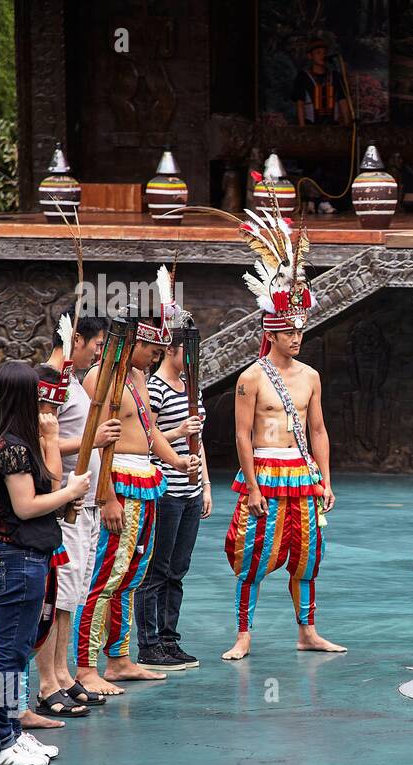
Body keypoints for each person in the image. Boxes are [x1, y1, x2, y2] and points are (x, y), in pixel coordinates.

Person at [222, 210, 339, 661]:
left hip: (302, 474)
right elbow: (241, 437)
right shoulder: (251, 378)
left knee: (308, 559)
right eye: (291, 330)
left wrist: (326, 479)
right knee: (253, 559)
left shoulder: (311, 376)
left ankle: (307, 631)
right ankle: (244, 635)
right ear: (272, 331)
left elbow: (318, 429)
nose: (298, 336)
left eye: (301, 329)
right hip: (266, 472)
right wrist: (251, 486)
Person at [75, 290, 200, 687]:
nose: (156, 355)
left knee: (131, 575)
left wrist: (178, 460)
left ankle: (120, 659)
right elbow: (94, 440)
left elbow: (148, 430)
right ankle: (84, 667)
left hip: (147, 480)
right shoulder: (102, 375)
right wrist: (107, 494)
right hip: (119, 484)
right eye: (152, 348)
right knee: (107, 576)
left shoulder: (139, 376)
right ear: (137, 342)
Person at [0, 362, 91, 765]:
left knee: (17, 651)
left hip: (24, 557)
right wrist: (70, 492)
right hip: (14, 558)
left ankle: (9, 732)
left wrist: (53, 440)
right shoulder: (12, 448)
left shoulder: (12, 441)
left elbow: (48, 487)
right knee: (6, 655)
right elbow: (26, 506)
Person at [134, 283, 209, 670]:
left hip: (191, 488)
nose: (195, 357)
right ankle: (148, 644)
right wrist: (179, 434)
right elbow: (148, 436)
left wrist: (206, 483)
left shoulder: (191, 388)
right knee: (156, 568)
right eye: (190, 350)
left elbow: (201, 439)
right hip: (164, 486)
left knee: (178, 570)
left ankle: (169, 637)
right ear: (173, 350)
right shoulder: (155, 388)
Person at [52, 313, 122, 698]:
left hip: (87, 503)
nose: (98, 353)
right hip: (67, 503)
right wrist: (90, 441)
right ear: (76, 339)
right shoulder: (53, 385)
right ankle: (55, 676)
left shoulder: (75, 383)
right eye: (96, 345)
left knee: (74, 594)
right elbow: (43, 442)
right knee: (61, 594)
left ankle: (63, 673)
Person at [291, 37, 350, 215]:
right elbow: (300, 103)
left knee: (329, 166)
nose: (321, 55)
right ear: (310, 56)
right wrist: (302, 128)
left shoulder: (334, 76)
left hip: (330, 126)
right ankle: (309, 201)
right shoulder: (304, 76)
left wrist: (346, 122)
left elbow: (342, 100)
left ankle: (325, 200)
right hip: (311, 126)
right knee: (311, 166)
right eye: (317, 52)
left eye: (323, 52)